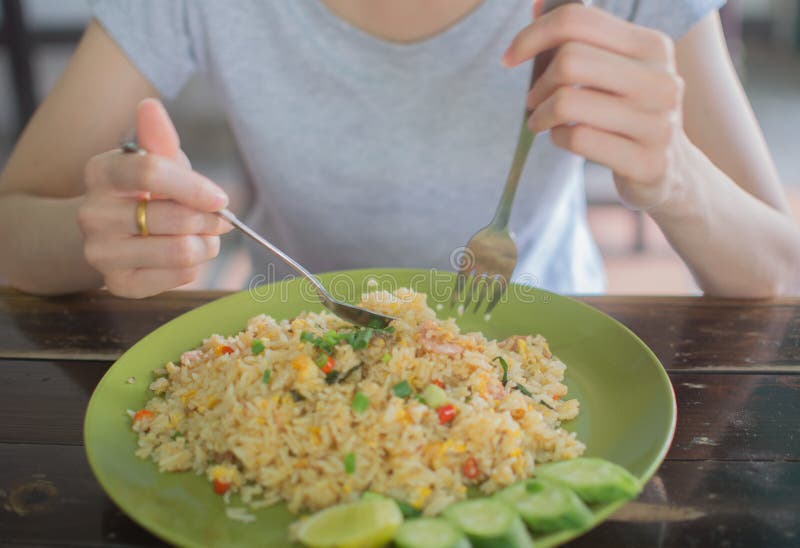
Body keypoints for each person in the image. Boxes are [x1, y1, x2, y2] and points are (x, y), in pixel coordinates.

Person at [0, 0, 797, 298]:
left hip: (550, 344)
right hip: (285, 339)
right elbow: (13, 228)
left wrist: (677, 179)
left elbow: (782, 272)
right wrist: (102, 230)